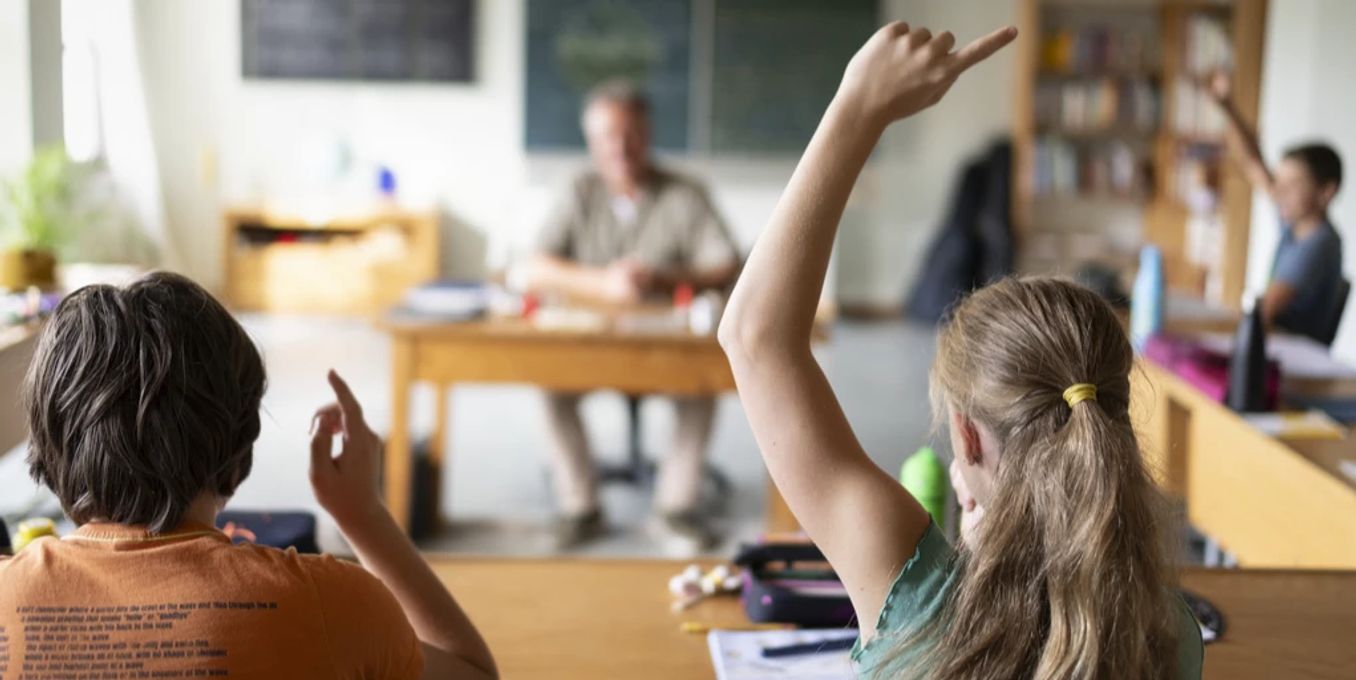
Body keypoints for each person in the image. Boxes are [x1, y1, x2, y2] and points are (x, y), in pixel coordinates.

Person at [718, 22, 1204, 679]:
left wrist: (859, 104)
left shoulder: (914, 597)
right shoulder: (1170, 632)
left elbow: (755, 337)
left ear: (965, 439)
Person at [0, 272, 497, 679]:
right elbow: (474, 673)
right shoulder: (331, 604)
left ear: (48, 438)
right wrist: (362, 514)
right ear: (239, 446)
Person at [524, 80, 742, 551]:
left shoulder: (686, 193)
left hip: (668, 348)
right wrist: (603, 283)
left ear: (648, 133)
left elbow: (727, 264)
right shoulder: (578, 191)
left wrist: (659, 280)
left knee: (703, 390)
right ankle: (580, 506)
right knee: (550, 386)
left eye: (631, 134)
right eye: (608, 136)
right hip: (589, 348)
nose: (621, 147)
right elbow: (537, 266)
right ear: (591, 141)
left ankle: (676, 508)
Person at [1209, 71, 1345, 343]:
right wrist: (1227, 106)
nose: (1279, 190)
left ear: (1326, 192)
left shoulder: (1319, 242)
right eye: (1279, 181)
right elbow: (1253, 162)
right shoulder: (1293, 220)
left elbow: (1264, 310)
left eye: (1292, 184)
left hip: (1293, 360)